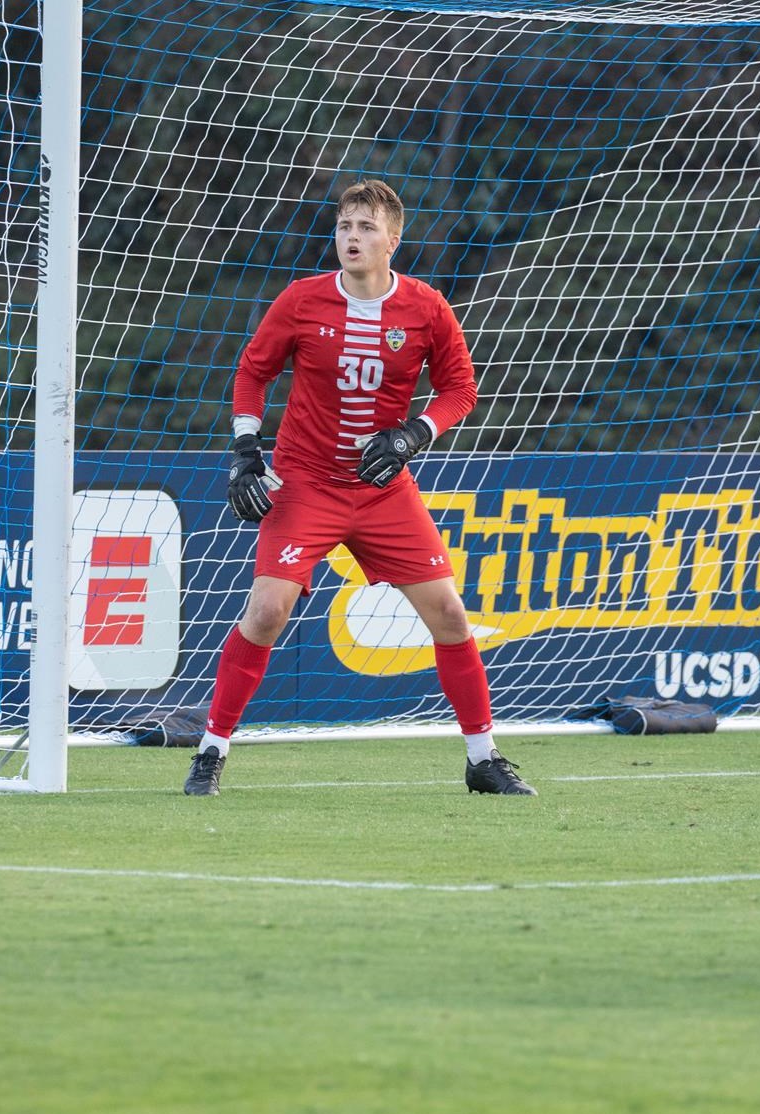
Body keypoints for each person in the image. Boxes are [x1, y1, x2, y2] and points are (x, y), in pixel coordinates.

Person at [183, 178, 535, 798]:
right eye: (346, 225)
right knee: (266, 613)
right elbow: (253, 371)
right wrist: (244, 452)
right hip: (305, 484)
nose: (352, 237)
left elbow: (461, 389)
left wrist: (412, 435)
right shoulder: (300, 300)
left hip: (383, 491)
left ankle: (483, 760)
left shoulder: (426, 308)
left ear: (392, 240)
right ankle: (211, 751)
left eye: (367, 227)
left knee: (451, 615)